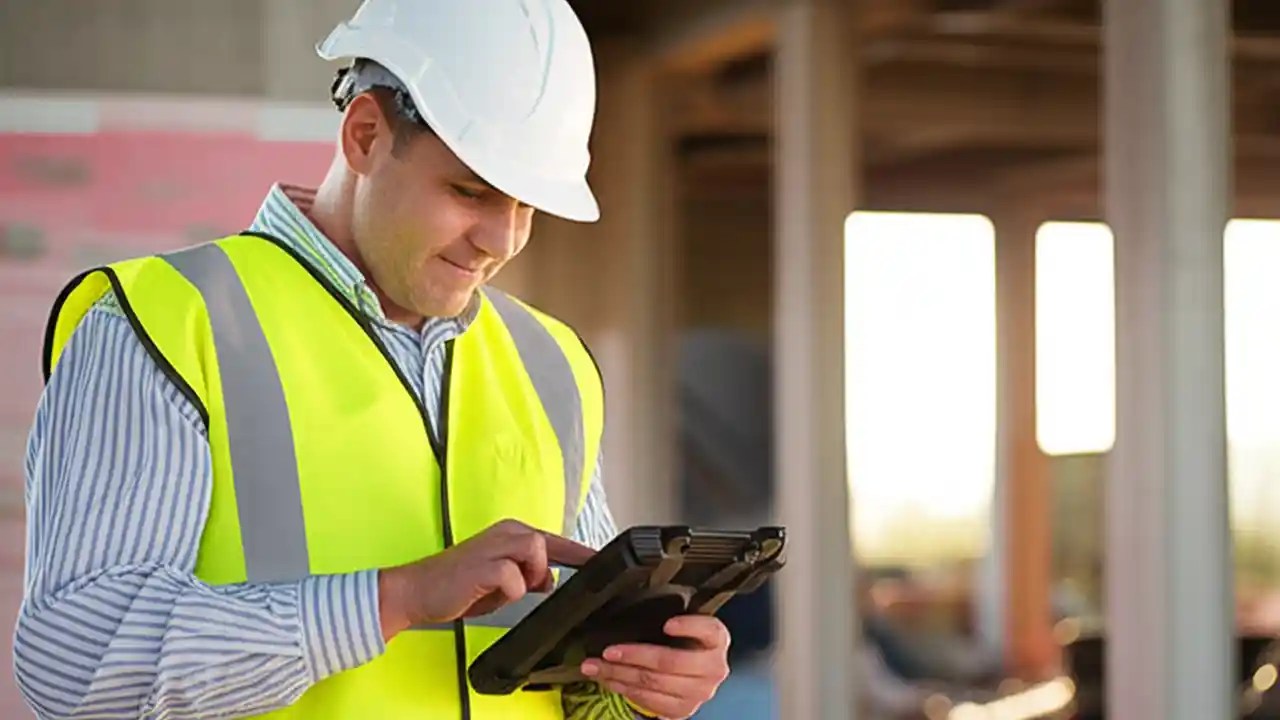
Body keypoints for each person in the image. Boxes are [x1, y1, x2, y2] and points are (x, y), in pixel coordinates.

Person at [13, 1, 731, 719]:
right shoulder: (165, 324)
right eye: (469, 191)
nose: (500, 240)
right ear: (364, 135)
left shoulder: (553, 366)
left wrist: (641, 690)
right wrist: (394, 599)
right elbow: (78, 669)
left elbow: (566, 692)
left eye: (526, 207)